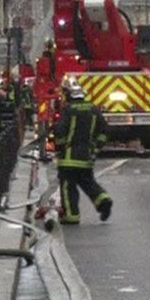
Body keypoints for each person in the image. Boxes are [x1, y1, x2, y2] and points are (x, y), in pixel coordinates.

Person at [53, 78, 113, 224]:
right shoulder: (93, 109)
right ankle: (103, 200)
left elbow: (60, 132)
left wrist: (59, 147)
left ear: (69, 95)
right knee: (88, 182)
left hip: (68, 158)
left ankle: (71, 215)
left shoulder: (68, 110)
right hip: (86, 157)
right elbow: (105, 130)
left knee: (68, 186)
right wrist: (96, 146)